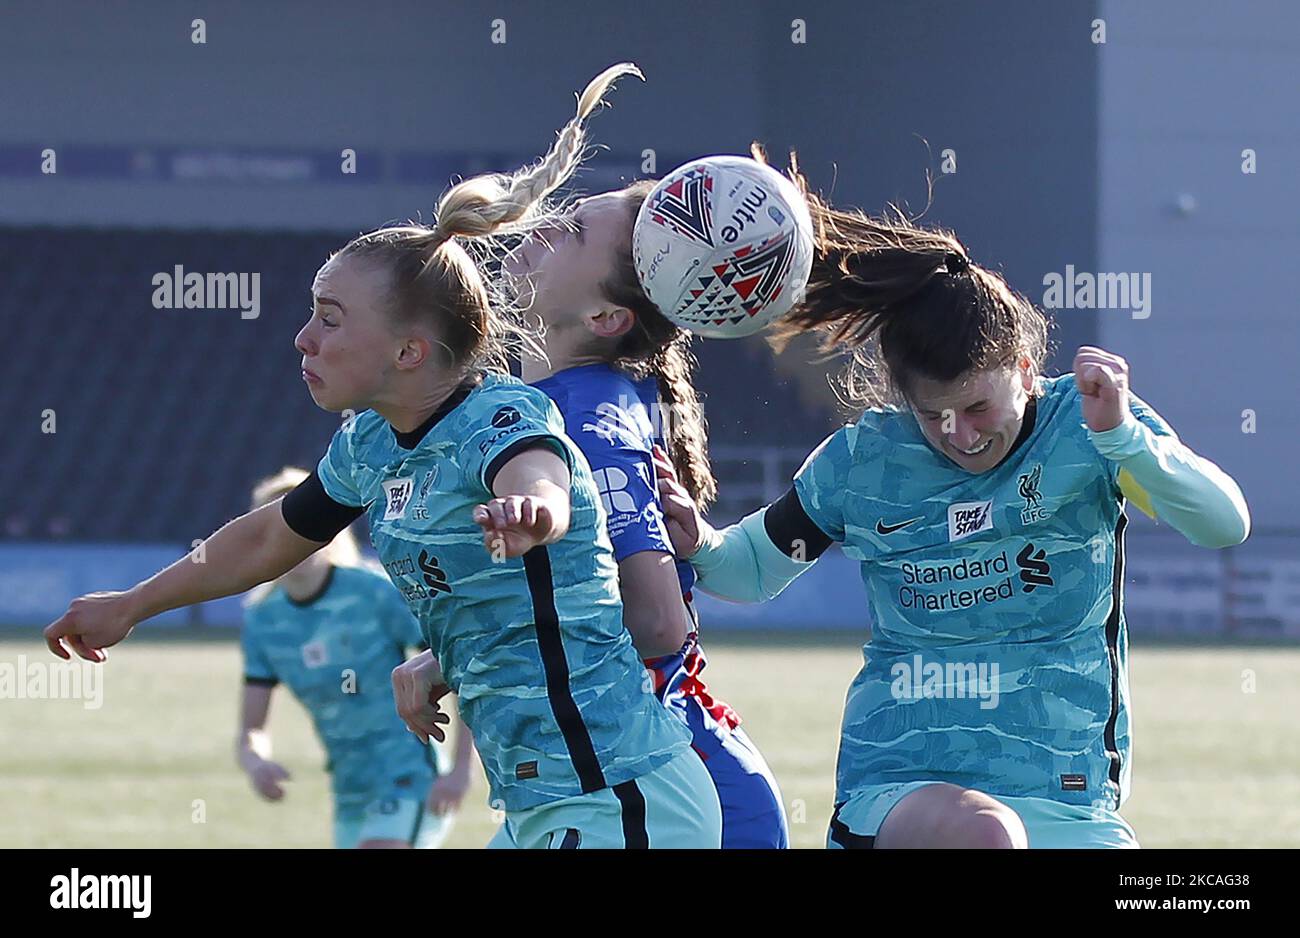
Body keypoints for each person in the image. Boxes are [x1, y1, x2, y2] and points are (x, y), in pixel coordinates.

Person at [44, 63, 722, 850]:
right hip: (547, 805)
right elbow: (268, 539)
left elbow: (542, 480)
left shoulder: (503, 414)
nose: (304, 339)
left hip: (622, 796)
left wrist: (534, 514)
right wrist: (132, 604)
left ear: (409, 350)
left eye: (330, 319)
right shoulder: (370, 444)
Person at [652, 150, 1250, 848]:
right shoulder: (865, 459)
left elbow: (1221, 524)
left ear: (1024, 370)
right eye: (931, 414)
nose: (957, 435)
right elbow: (751, 571)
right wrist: (701, 542)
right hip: (901, 792)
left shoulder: (1091, 429)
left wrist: (1124, 438)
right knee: (987, 837)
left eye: (975, 407)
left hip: (1067, 802)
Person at [495, 178, 788, 848]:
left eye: (571, 231)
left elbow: (657, 622)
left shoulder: (590, 419)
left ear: (605, 317)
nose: (542, 226)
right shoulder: (566, 402)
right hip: (615, 783)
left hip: (668, 796)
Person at [237, 466, 474, 848]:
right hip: (350, 791)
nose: (287, 542)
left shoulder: (374, 593)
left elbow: (458, 662)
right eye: (274, 532)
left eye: (299, 527)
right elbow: (252, 729)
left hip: (408, 778)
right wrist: (255, 762)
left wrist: (462, 769)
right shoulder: (263, 620)